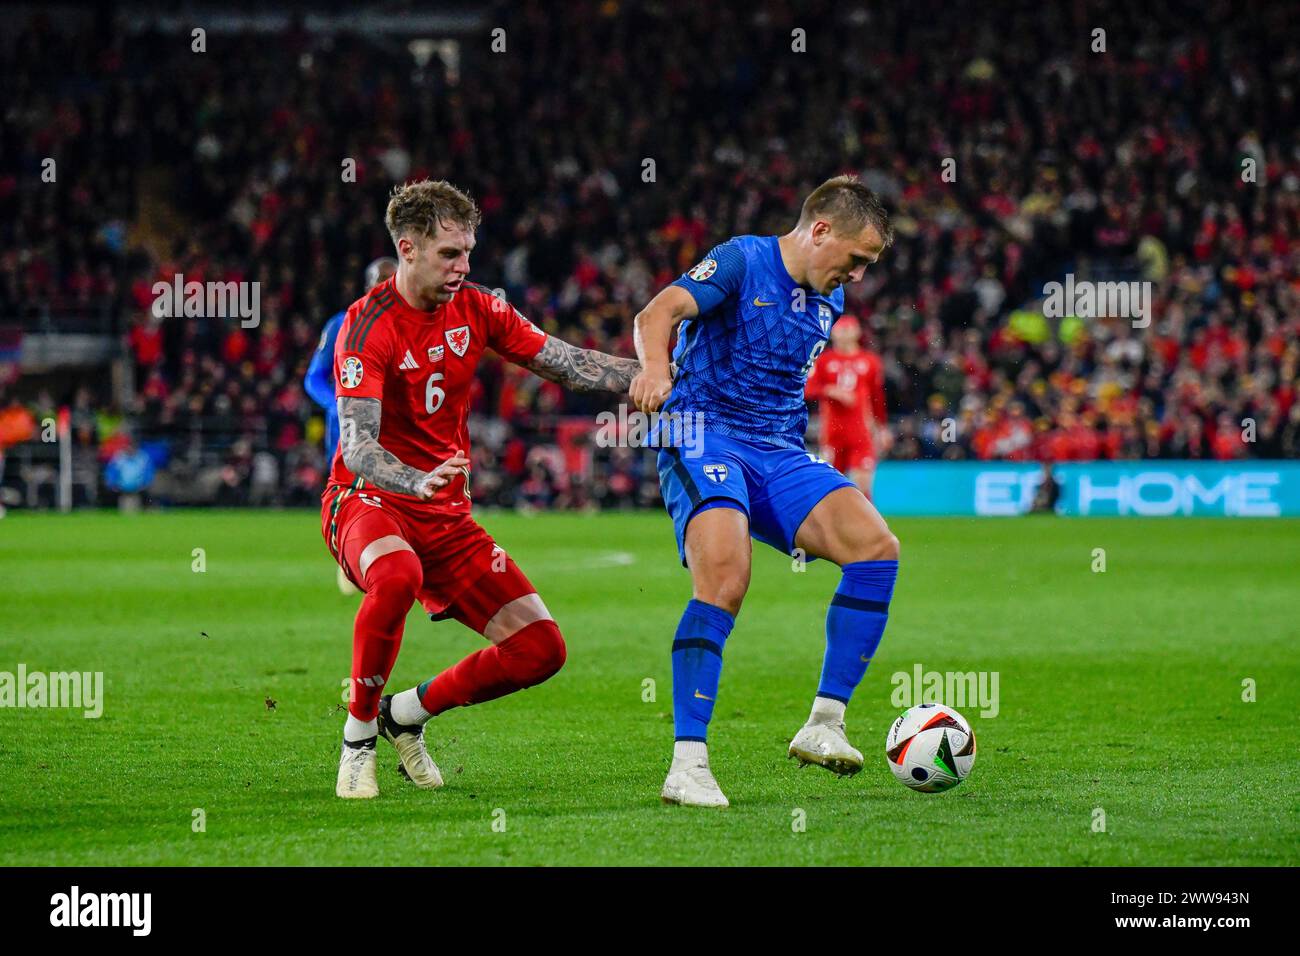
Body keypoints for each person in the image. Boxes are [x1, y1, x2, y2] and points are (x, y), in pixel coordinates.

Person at [327, 179, 640, 798]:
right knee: (397, 577)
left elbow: (565, 362)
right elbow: (358, 448)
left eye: (468, 252)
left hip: (444, 513)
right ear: (408, 249)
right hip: (368, 499)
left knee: (540, 649)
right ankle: (357, 737)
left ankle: (404, 714)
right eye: (449, 254)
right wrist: (414, 479)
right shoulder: (366, 328)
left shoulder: (478, 308)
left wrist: (658, 374)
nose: (463, 267)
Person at [630, 174, 899, 808]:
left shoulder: (830, 301)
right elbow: (656, 313)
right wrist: (654, 368)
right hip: (704, 434)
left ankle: (824, 724)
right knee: (726, 579)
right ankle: (687, 764)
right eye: (857, 259)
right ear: (821, 230)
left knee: (876, 549)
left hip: (777, 450)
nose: (858, 275)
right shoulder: (742, 259)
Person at [306, 257, 398, 594]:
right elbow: (314, 378)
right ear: (367, 287)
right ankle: (352, 559)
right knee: (356, 498)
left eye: (393, 281)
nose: (387, 289)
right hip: (349, 436)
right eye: (380, 282)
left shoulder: (413, 327)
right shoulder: (341, 324)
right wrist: (340, 404)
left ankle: (388, 566)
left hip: (397, 434)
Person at [805, 314, 889, 499]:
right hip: (832, 435)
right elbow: (808, 389)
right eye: (840, 329)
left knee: (863, 489)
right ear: (832, 333)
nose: (844, 333)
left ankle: (865, 519)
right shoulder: (824, 360)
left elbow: (877, 398)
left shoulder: (870, 361)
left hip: (860, 434)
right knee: (830, 493)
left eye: (847, 329)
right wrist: (831, 390)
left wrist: (882, 428)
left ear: (857, 332)